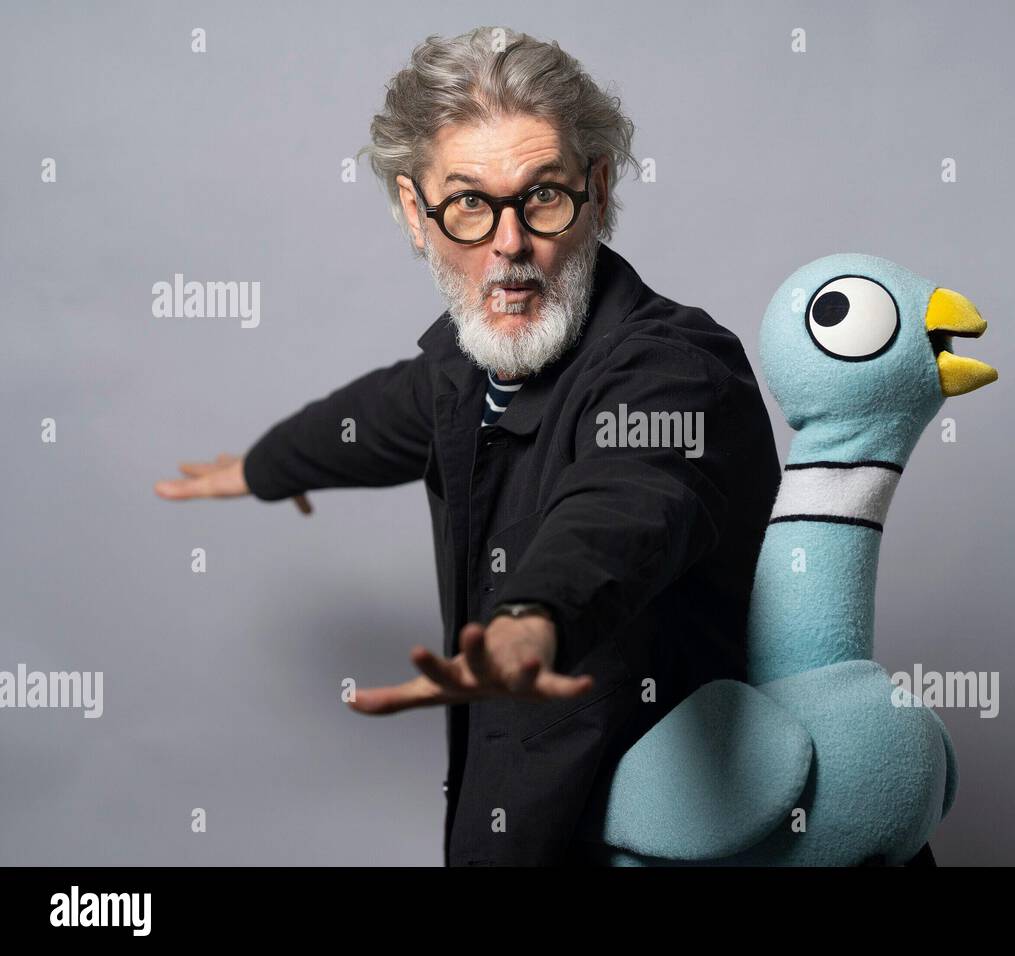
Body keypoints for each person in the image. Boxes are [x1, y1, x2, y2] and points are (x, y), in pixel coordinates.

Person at [154, 27, 783, 866]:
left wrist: (532, 619)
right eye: (469, 204)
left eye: (543, 197)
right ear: (417, 215)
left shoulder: (673, 372)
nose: (509, 243)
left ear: (596, 191)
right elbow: (380, 415)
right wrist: (265, 466)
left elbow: (631, 501)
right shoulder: (472, 365)